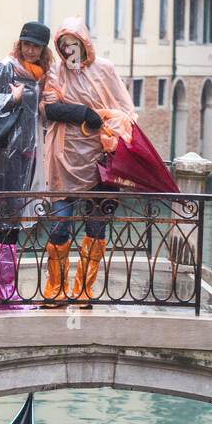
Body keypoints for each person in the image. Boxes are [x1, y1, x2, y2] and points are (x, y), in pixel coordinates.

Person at [42, 16, 137, 307]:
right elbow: (47, 108)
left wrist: (108, 124)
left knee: (96, 227)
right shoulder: (56, 72)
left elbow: (126, 111)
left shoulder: (105, 69)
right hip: (64, 160)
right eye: (63, 46)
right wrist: (83, 113)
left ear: (85, 44)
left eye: (73, 44)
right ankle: (55, 289)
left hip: (102, 161)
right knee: (59, 225)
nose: (69, 51)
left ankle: (84, 288)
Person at [0, 21, 51, 307]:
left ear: (43, 50)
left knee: (12, 220)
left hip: (26, 156)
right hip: (5, 155)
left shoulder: (39, 75)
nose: (30, 50)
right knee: (6, 221)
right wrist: (11, 98)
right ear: (20, 43)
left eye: (36, 46)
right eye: (26, 44)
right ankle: (3, 293)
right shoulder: (7, 67)